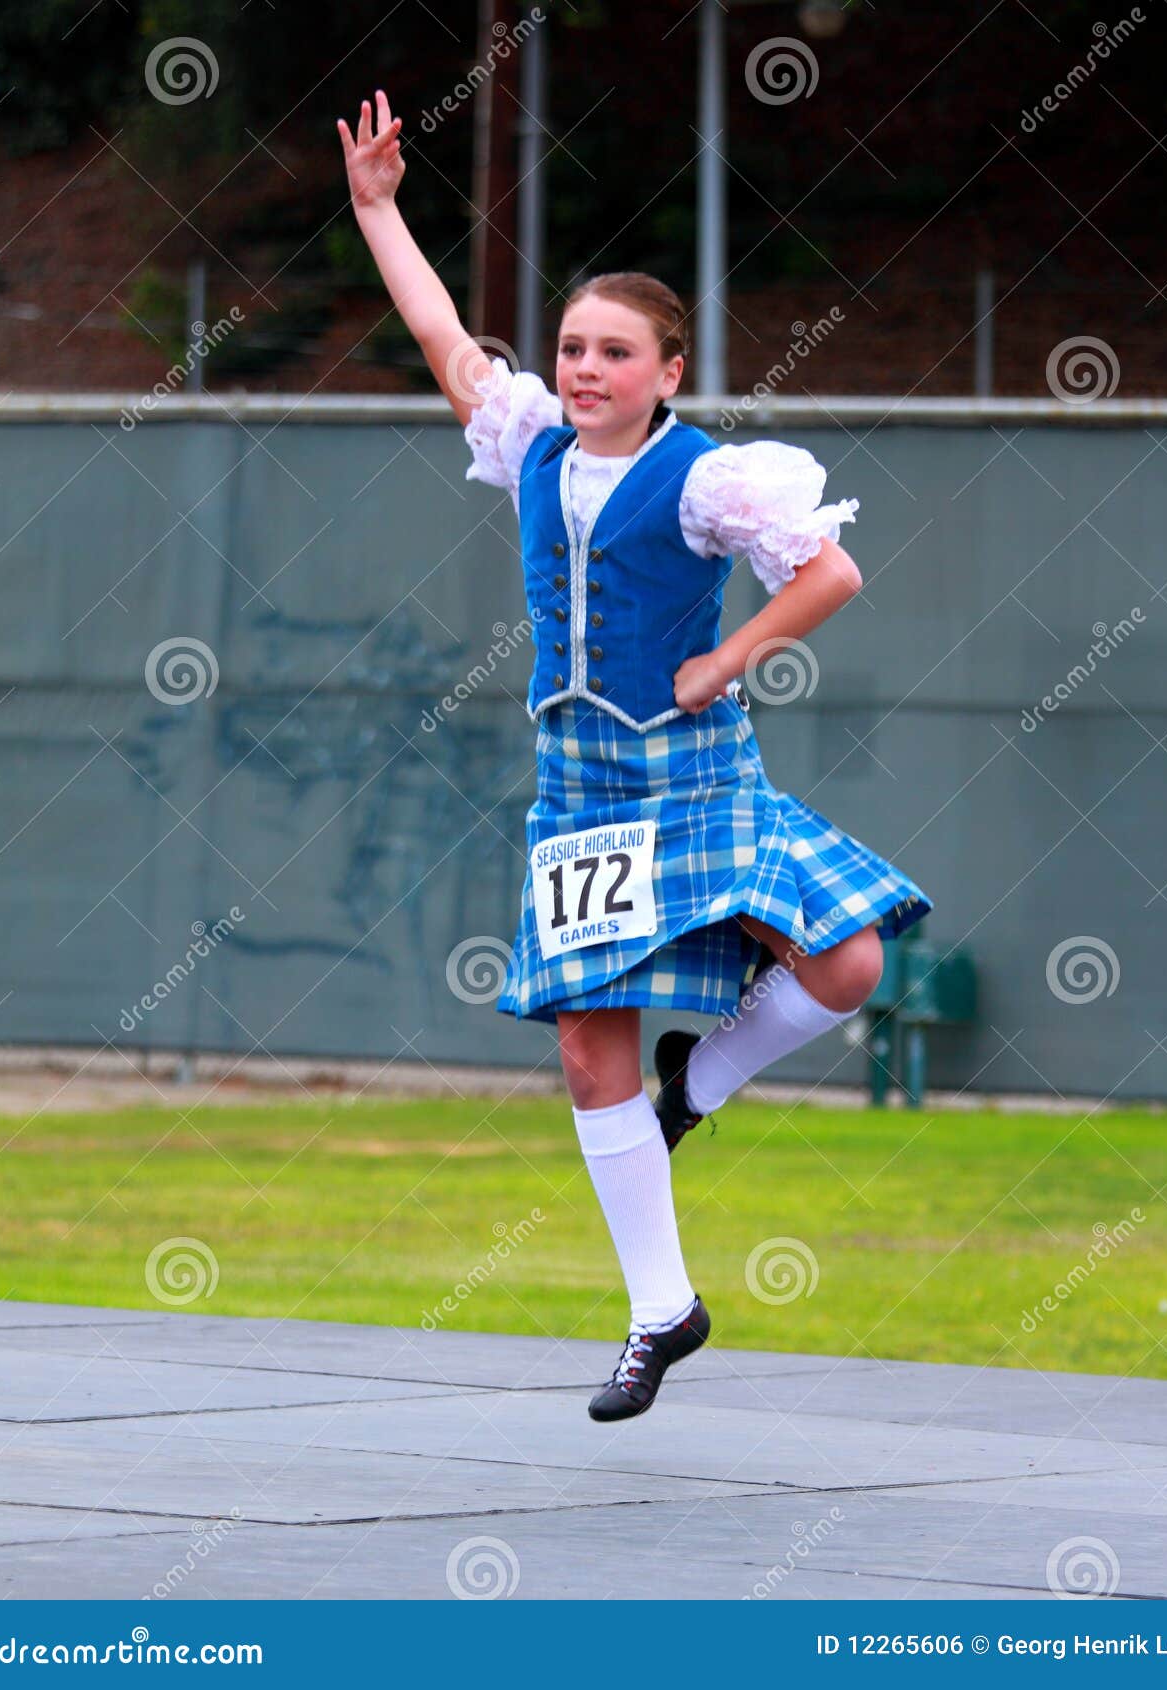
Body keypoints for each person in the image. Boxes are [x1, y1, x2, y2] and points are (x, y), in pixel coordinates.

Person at [339, 91, 932, 1423]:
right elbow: (442, 337)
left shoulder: (711, 479)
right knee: (583, 1043)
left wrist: (731, 658)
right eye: (573, 348)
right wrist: (378, 207)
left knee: (848, 960)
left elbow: (831, 571)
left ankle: (699, 1082)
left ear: (668, 371)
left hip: (695, 762)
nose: (587, 368)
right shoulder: (530, 443)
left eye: (616, 351)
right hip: (581, 783)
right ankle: (661, 1311)